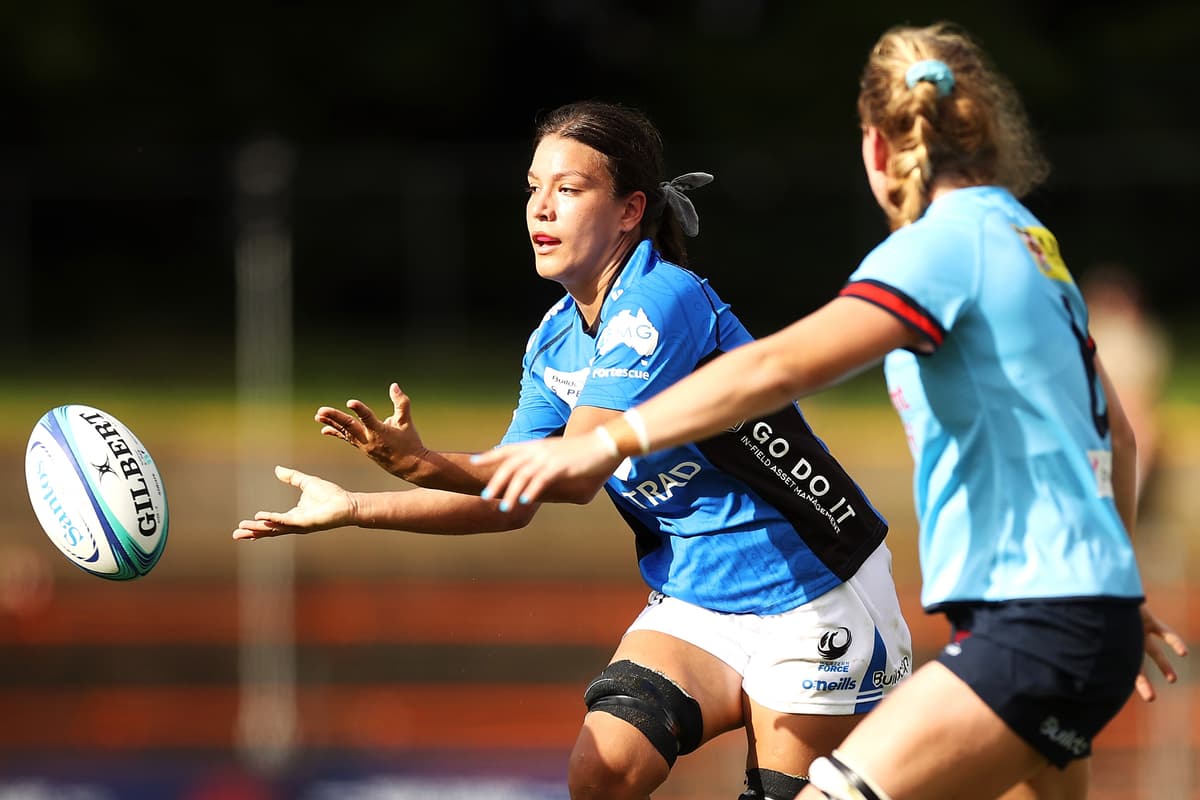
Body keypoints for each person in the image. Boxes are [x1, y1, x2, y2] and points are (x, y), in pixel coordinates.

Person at [472, 26, 1188, 800]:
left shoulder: (937, 248)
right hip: (1079, 618)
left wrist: (613, 437)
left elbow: (777, 365)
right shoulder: (1028, 239)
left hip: (1033, 627)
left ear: (879, 150)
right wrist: (1116, 585)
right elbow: (1109, 417)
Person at [233, 100, 913, 800]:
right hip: (699, 602)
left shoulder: (661, 300)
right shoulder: (556, 339)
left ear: (629, 211)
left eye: (569, 188)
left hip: (817, 593)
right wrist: (353, 505)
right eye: (534, 188)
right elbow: (510, 501)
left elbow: (577, 468)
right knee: (603, 771)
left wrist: (420, 460)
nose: (542, 208)